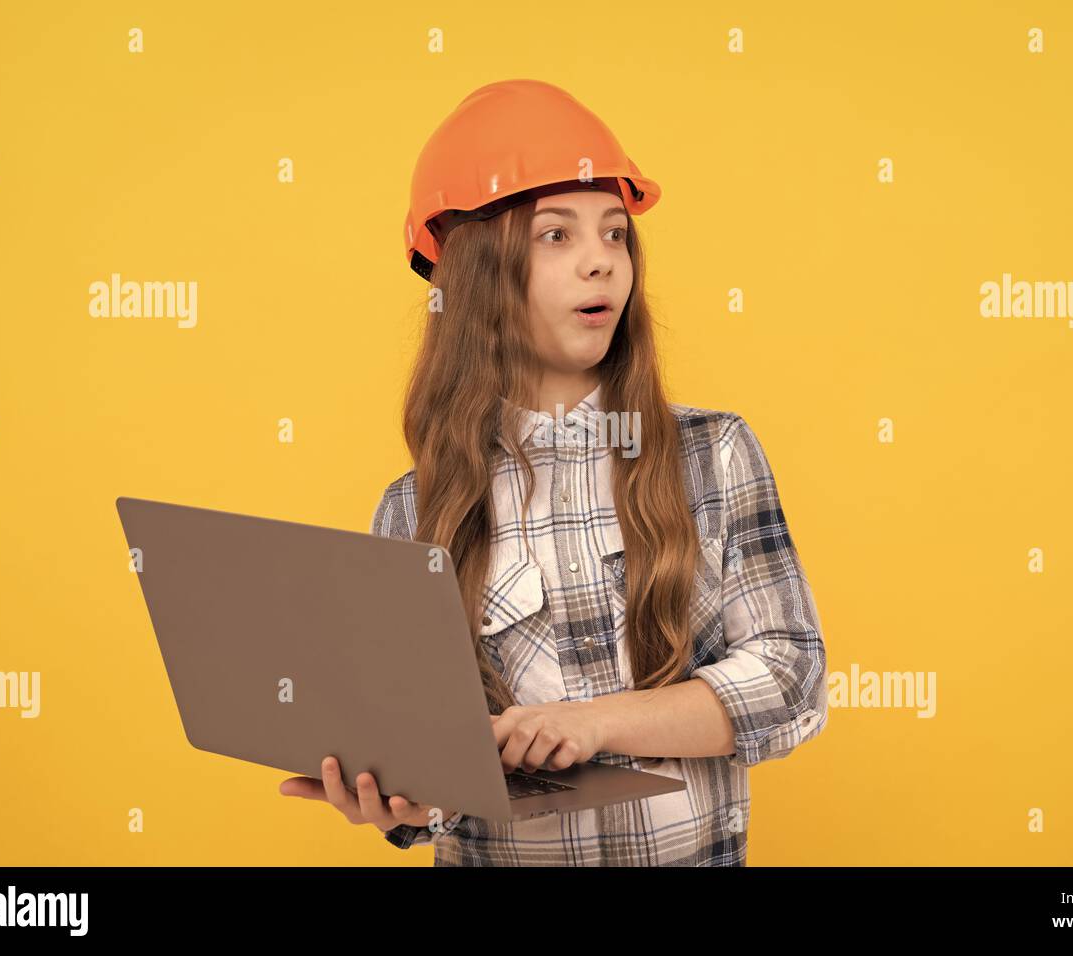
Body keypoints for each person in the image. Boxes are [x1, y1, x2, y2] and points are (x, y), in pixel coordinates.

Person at [278, 78, 827, 865]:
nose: (602, 263)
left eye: (615, 233)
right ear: (479, 275)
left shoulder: (714, 456)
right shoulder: (412, 514)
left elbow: (792, 676)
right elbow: (428, 771)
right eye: (557, 236)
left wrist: (596, 720)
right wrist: (399, 797)